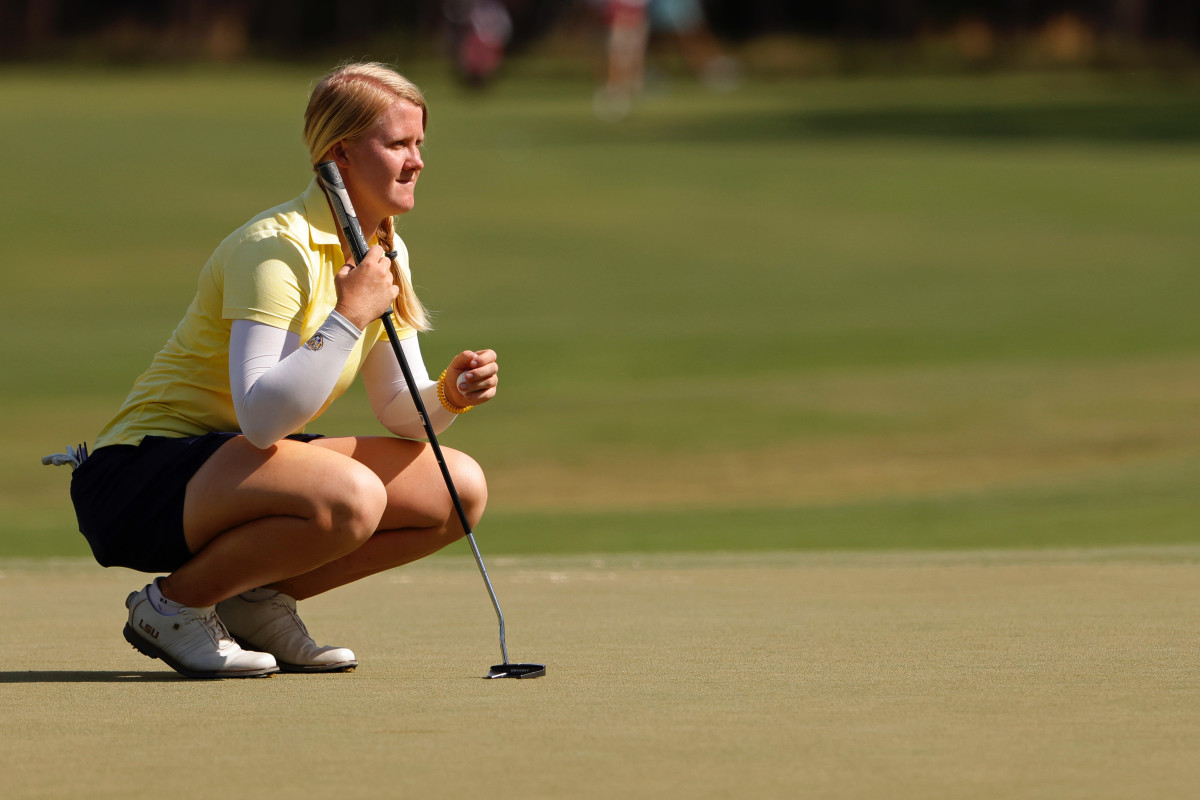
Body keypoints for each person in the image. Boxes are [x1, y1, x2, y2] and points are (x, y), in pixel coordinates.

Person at [57, 62, 497, 679]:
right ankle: (173, 606)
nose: (417, 160)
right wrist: (349, 314)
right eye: (399, 144)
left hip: (236, 472)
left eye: (419, 143)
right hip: (138, 477)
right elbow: (261, 417)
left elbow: (400, 406)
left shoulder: (383, 248)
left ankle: (252, 598)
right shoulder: (274, 248)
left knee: (457, 490)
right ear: (341, 152)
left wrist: (450, 393)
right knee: (353, 495)